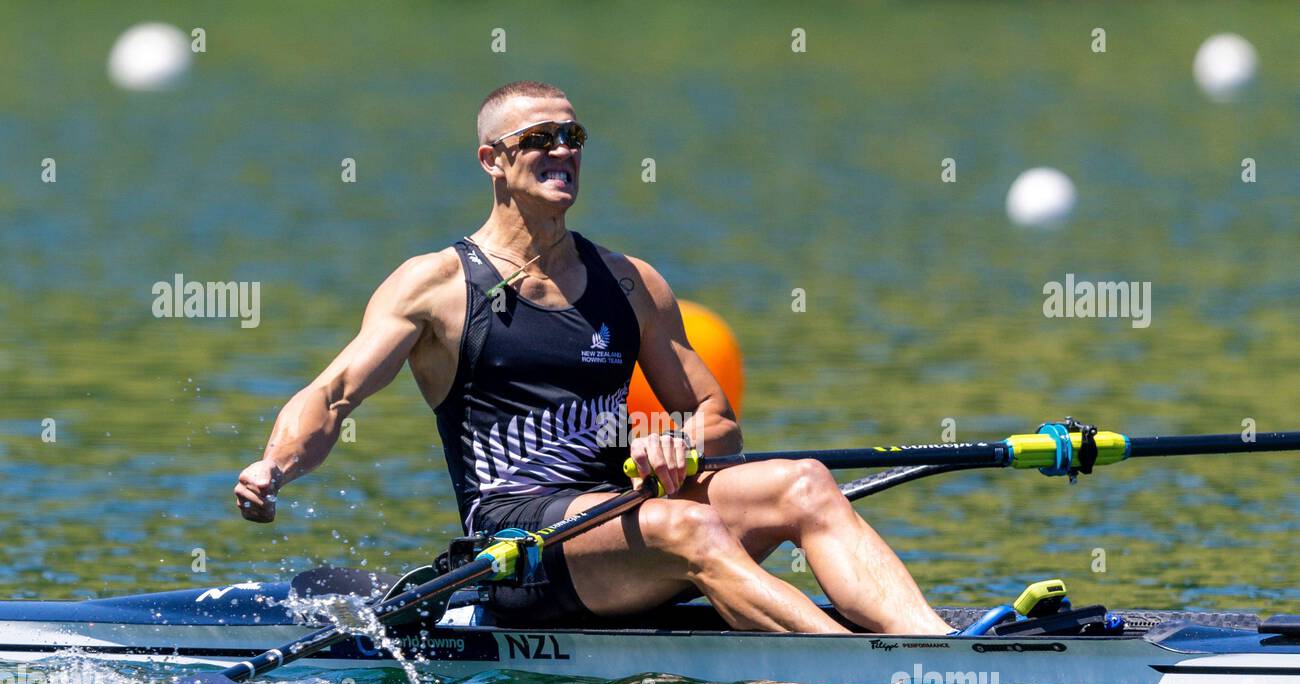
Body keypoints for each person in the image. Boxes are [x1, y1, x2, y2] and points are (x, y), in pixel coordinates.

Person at [234, 80, 952, 635]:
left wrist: (677, 440)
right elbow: (333, 396)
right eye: (540, 137)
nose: (563, 150)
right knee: (687, 524)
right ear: (492, 160)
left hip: (628, 515)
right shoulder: (437, 287)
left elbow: (719, 421)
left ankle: (933, 646)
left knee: (804, 481)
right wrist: (274, 465)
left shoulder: (630, 283)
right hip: (522, 544)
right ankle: (846, 671)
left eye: (573, 135)